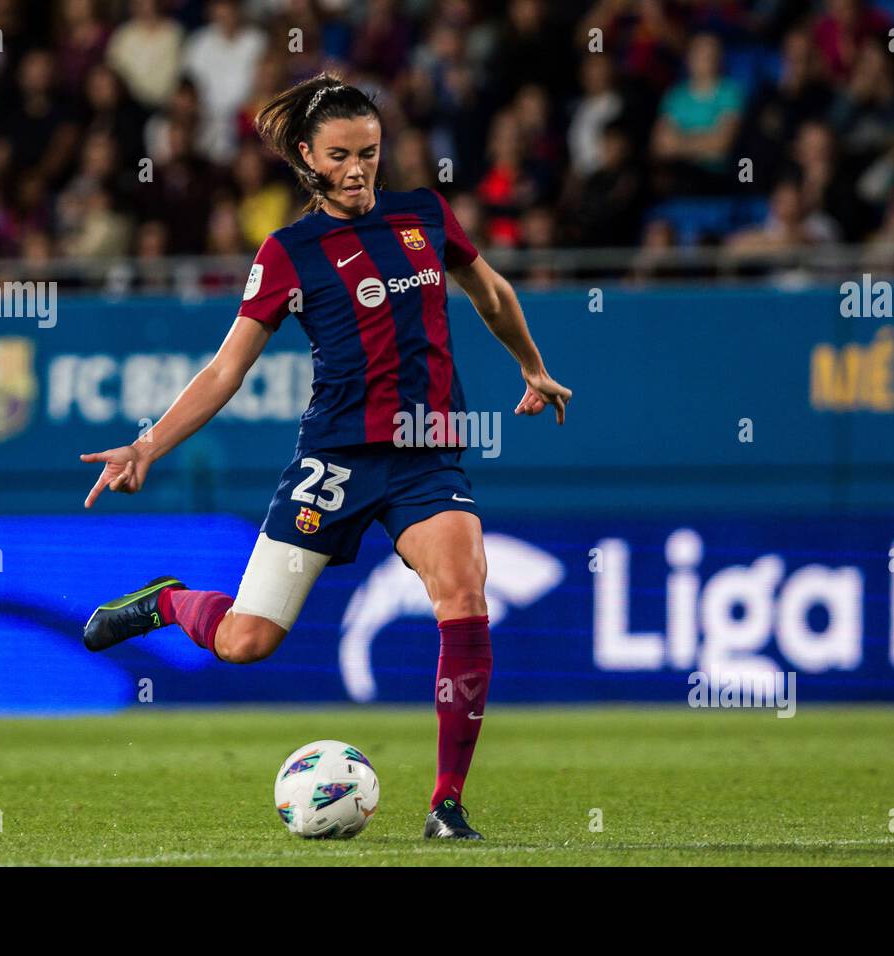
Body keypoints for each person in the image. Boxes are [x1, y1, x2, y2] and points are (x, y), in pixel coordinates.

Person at [77, 72, 571, 841]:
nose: (357, 169)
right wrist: (148, 445)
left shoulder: (424, 216)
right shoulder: (288, 253)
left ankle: (446, 804)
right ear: (306, 156)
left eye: (369, 153)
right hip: (334, 460)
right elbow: (225, 369)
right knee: (246, 642)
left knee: (464, 591)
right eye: (339, 155)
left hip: (425, 455)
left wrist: (530, 365)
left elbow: (492, 293)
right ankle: (167, 600)